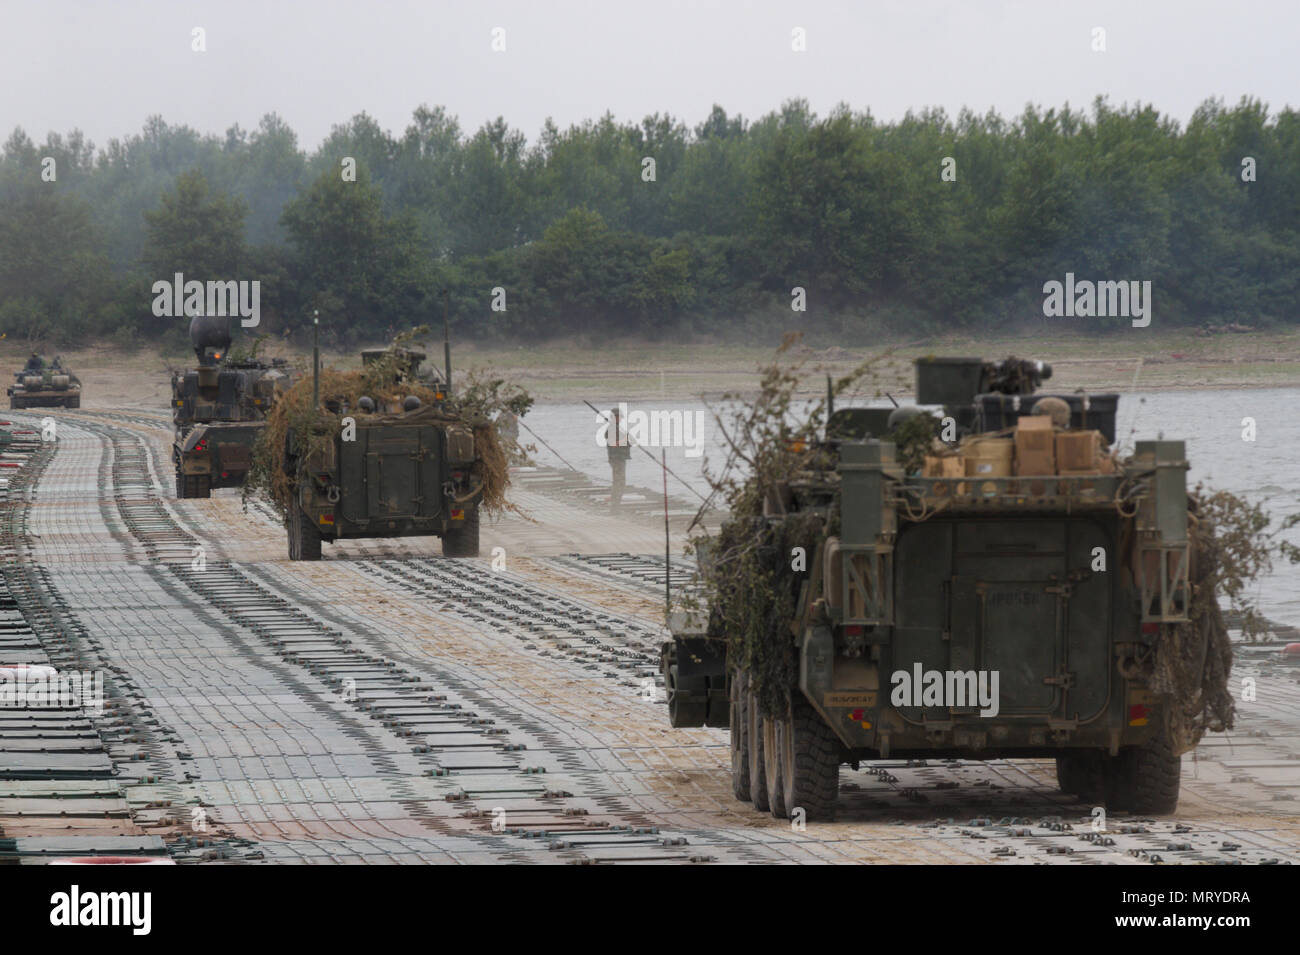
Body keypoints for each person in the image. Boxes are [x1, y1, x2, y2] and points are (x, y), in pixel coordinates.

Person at [605, 406, 631, 508]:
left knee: (620, 482)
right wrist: (625, 439)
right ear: (615, 417)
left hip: (620, 458)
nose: (621, 419)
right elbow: (613, 443)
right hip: (617, 459)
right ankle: (615, 507)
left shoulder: (616, 428)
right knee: (619, 482)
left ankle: (615, 505)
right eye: (620, 417)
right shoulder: (612, 429)